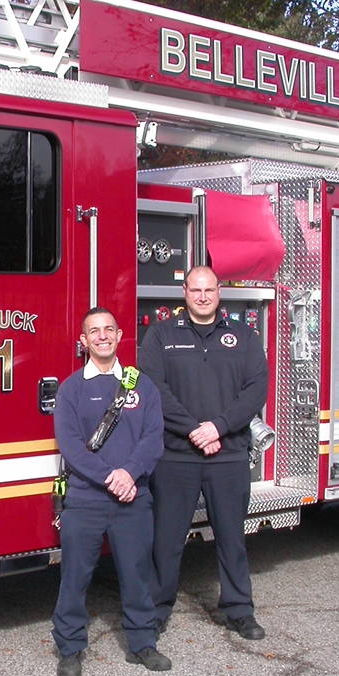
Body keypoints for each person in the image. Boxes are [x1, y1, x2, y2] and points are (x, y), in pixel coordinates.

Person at [138, 265, 269, 641]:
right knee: (166, 540)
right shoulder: (160, 335)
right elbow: (153, 388)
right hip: (176, 456)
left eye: (209, 290)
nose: (202, 296)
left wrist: (219, 427)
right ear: (184, 292)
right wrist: (195, 429)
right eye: (195, 290)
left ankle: (239, 610)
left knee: (232, 539)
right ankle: (156, 610)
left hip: (228, 456)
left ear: (219, 292)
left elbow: (255, 390)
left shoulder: (243, 336)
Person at [52, 308, 170, 676]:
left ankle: (142, 644)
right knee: (74, 577)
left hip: (132, 498)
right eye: (94, 331)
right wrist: (110, 477)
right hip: (86, 500)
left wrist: (129, 474)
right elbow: (70, 446)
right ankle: (70, 648)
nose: (102, 336)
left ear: (120, 336)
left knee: (136, 574)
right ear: (83, 341)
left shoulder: (142, 386)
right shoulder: (71, 388)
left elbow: (154, 439)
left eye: (109, 330)